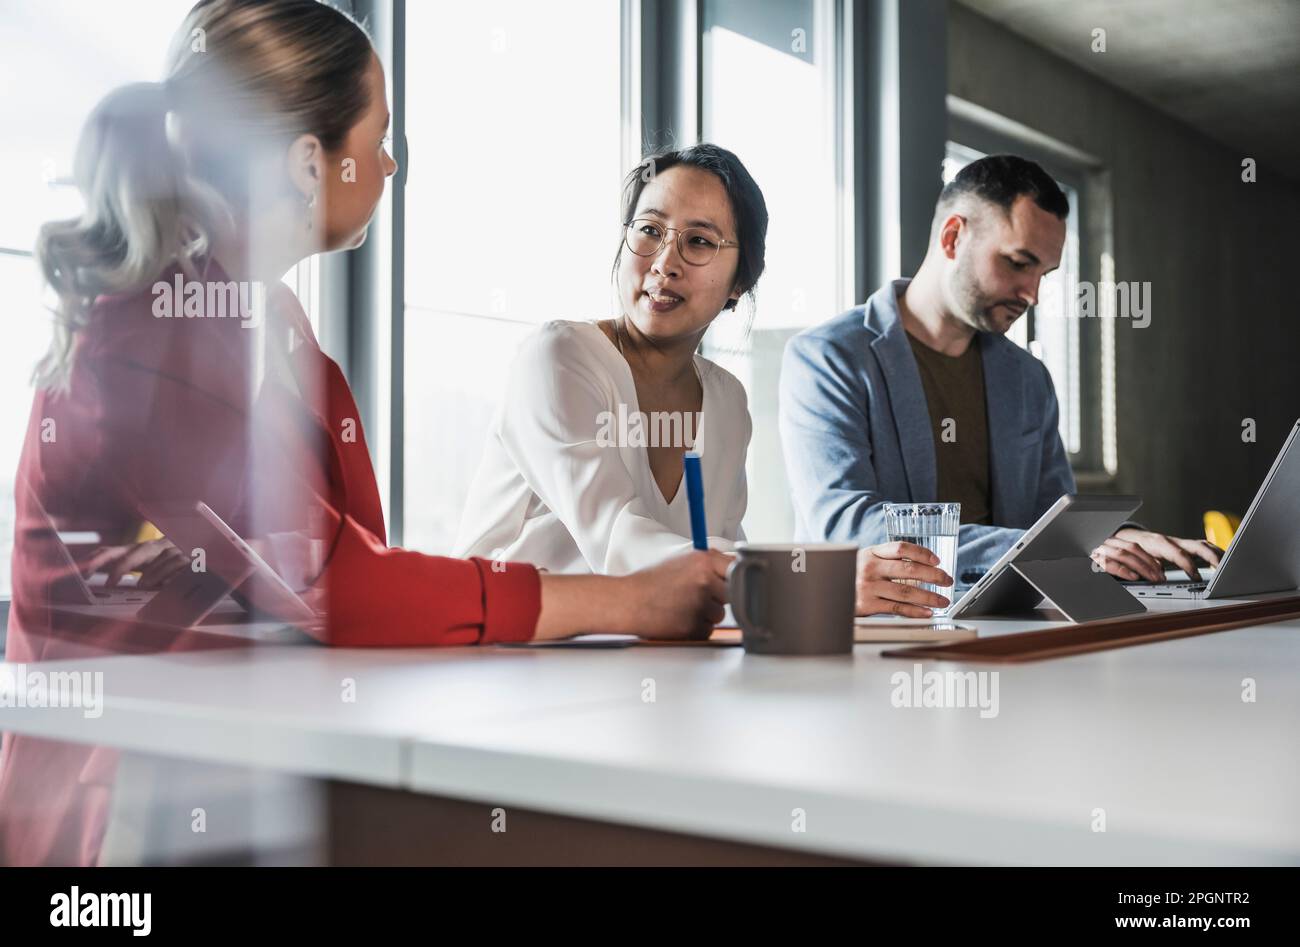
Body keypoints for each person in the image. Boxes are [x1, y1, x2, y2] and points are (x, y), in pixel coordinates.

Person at [1, 0, 721, 866]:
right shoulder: (151, 338)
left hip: (231, 772)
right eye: (379, 139)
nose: (387, 164)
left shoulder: (269, 325)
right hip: (122, 814)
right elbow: (331, 580)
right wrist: (628, 600)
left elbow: (335, 568)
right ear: (310, 163)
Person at [454, 145, 951, 614]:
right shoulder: (559, 357)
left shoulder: (727, 401)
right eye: (649, 230)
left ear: (739, 283)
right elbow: (616, 542)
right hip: (506, 659)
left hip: (641, 662)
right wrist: (818, 581)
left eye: (698, 242)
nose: (665, 264)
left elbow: (716, 559)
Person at [780, 154, 1222, 587]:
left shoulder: (1030, 379)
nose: (1032, 295)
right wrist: (1039, 548)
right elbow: (845, 530)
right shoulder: (827, 358)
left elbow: (1053, 518)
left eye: (1044, 273)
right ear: (953, 238)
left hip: (1024, 621)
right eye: (1017, 262)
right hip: (890, 628)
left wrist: (1120, 539)